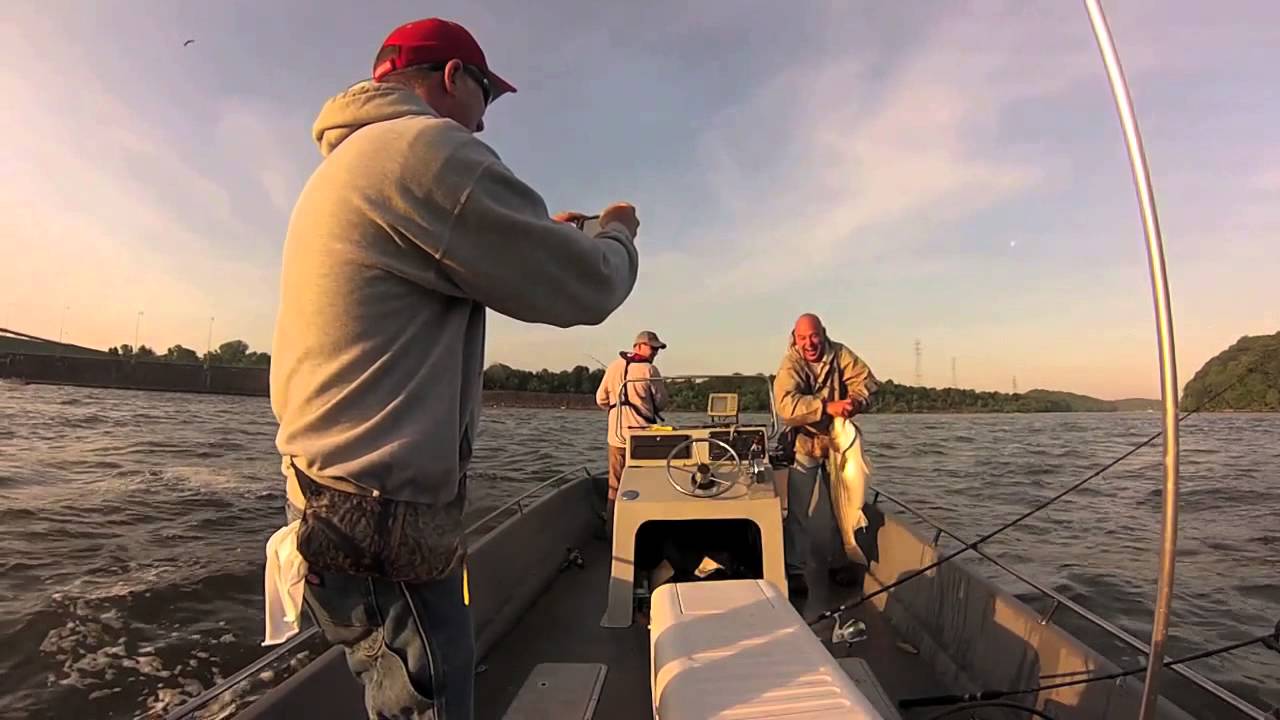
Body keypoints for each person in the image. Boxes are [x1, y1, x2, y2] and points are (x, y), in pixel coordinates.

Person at [268, 17, 641, 720]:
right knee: (433, 700)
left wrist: (541, 234)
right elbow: (588, 284)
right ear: (450, 78)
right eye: (487, 95)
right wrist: (617, 228)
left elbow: (443, 258)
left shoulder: (353, 163)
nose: (484, 118)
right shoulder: (424, 148)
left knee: (401, 687)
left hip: (324, 501)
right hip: (383, 518)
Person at [772, 313, 878, 596]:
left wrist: (856, 401)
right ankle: (795, 569)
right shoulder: (791, 364)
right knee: (799, 511)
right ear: (795, 337)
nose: (809, 343)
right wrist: (827, 407)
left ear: (823, 333)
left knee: (840, 507)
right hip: (805, 444)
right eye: (803, 337)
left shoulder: (840, 353)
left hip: (839, 442)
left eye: (814, 336)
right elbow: (786, 406)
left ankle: (842, 562)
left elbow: (868, 381)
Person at [595, 331, 669, 533]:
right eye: (652, 348)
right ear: (638, 346)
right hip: (643, 440)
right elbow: (662, 403)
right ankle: (643, 530)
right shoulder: (650, 370)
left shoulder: (613, 367)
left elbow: (600, 399)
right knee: (646, 486)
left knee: (615, 487)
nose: (655, 352)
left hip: (616, 438)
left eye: (657, 349)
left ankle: (612, 531)